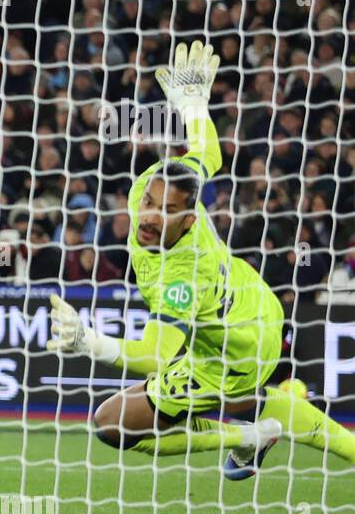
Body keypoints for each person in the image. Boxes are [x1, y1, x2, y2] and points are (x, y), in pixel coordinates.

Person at [52, 41, 355, 476]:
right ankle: (263, 422)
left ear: (190, 220)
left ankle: (251, 434)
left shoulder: (184, 275)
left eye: (169, 211)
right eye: (150, 203)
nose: (150, 216)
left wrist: (90, 343)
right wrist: (193, 105)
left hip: (236, 346)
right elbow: (207, 155)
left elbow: (156, 356)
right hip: (255, 301)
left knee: (113, 426)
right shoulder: (152, 184)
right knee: (246, 400)